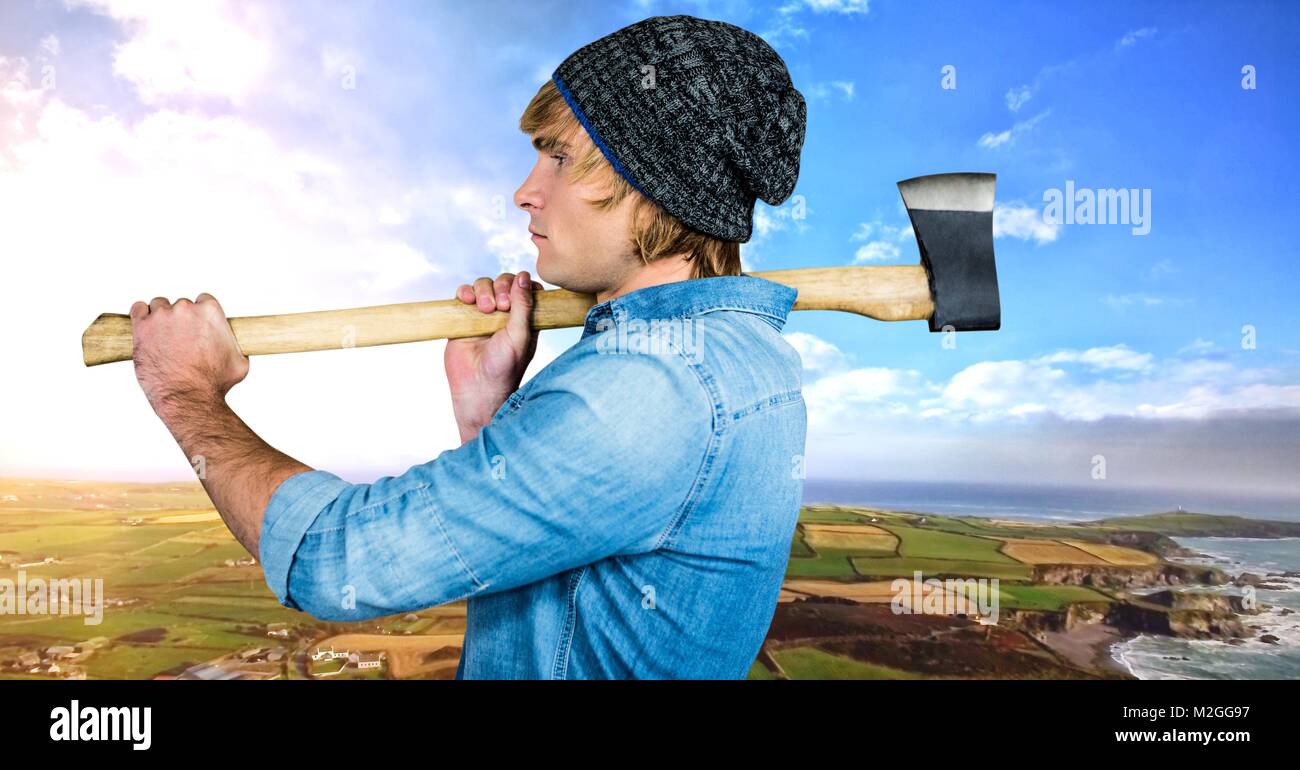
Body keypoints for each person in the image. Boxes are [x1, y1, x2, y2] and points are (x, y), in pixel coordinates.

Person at [129, 14, 808, 679]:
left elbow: (340, 564)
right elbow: (573, 543)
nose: (525, 192)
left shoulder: (648, 386)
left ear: (653, 183)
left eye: (561, 156)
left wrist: (185, 391)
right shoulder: (748, 356)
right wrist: (488, 418)